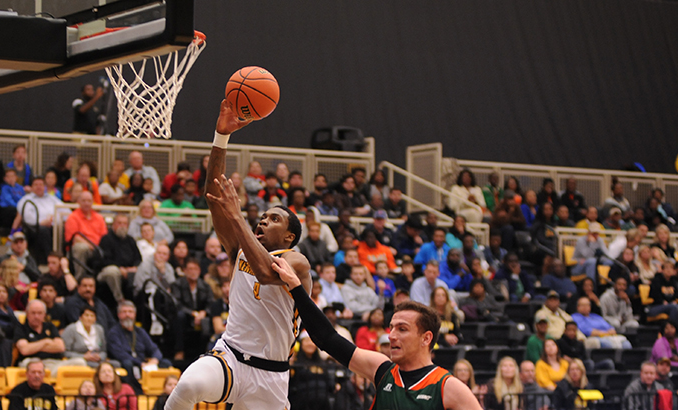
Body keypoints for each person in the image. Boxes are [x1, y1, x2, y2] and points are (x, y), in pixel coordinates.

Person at [163, 101, 319, 410]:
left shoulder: (297, 261)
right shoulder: (239, 250)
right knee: (190, 384)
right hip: (230, 358)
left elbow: (264, 272)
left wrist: (237, 218)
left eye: (274, 219)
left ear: (289, 236)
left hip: (271, 378)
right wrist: (221, 137)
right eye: (262, 216)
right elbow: (213, 194)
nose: (263, 219)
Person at [269, 253, 482, 409]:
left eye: (402, 329)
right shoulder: (382, 370)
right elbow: (327, 338)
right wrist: (296, 287)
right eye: (391, 328)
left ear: (426, 338)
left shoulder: (447, 387)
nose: (391, 335)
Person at [14, 300, 86, 373]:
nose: (36, 316)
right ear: (27, 314)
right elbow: (25, 350)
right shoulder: (21, 328)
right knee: (28, 365)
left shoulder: (50, 326)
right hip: (32, 362)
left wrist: (34, 347)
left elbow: (60, 347)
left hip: (54, 363)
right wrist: (46, 342)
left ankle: (49, 373)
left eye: (39, 313)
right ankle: (45, 373)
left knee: (80, 362)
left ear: (44, 315)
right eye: (33, 313)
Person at [106, 301, 171, 374]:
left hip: (144, 364)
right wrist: (140, 363)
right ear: (118, 315)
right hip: (129, 363)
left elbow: (154, 349)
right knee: (127, 363)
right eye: (124, 312)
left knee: (166, 363)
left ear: (135, 315)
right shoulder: (113, 333)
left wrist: (155, 360)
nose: (127, 315)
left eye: (130, 312)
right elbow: (120, 355)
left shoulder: (140, 331)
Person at [13, 177, 65, 262]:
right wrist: (41, 222)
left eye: (41, 184)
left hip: (54, 225)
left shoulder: (52, 198)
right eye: (36, 185)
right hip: (34, 227)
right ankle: (49, 259)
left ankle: (61, 258)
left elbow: (65, 211)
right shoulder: (26, 200)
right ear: (32, 187)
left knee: (65, 229)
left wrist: (54, 220)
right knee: (43, 230)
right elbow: (27, 217)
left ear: (44, 186)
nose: (39, 187)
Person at [64, 191, 108, 276]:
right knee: (81, 248)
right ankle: (79, 278)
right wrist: (92, 247)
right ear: (79, 202)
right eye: (84, 201)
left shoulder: (99, 218)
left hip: (97, 248)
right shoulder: (73, 217)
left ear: (92, 202)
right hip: (83, 248)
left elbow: (104, 237)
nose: (86, 203)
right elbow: (75, 238)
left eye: (89, 201)